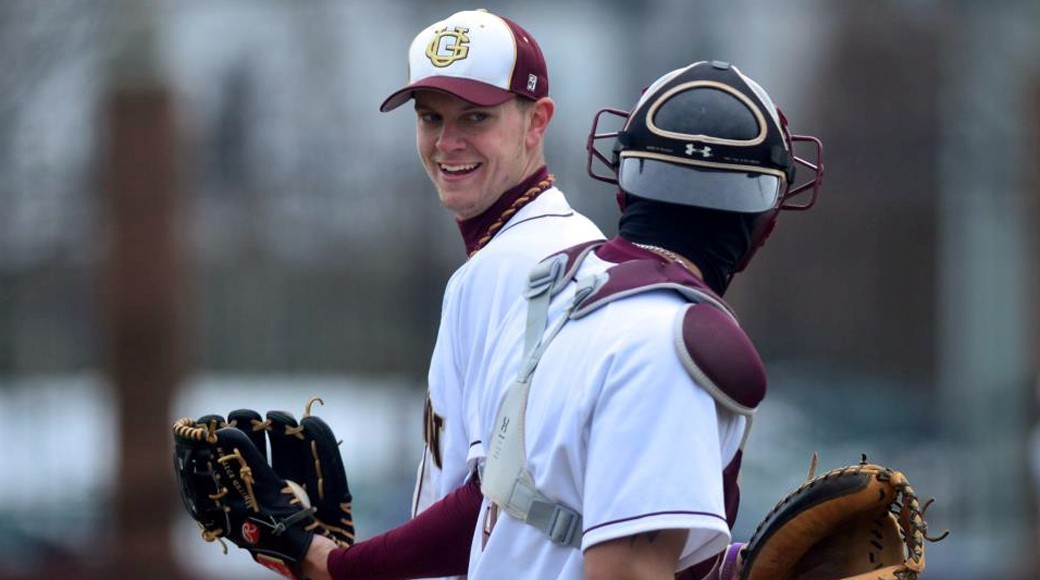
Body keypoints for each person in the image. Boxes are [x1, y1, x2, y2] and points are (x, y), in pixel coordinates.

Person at [463, 60, 824, 579]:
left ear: (624, 181)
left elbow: (559, 523)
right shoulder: (675, 344)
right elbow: (626, 571)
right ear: (760, 219)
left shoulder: (553, 291)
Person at [298, 9, 604, 579]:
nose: (447, 141)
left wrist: (335, 565)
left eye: (476, 117)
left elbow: (486, 503)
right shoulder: (569, 244)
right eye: (430, 116)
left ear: (537, 121)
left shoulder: (511, 267)